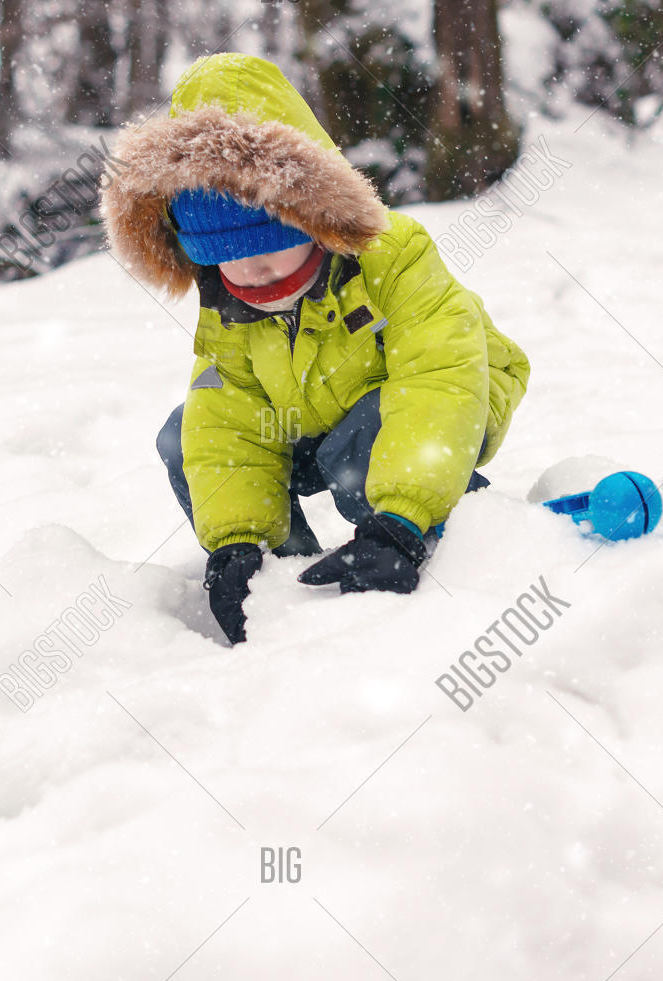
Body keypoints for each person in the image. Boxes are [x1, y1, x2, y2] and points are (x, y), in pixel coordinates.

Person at [102, 52, 530, 644]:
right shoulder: (230, 301)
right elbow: (228, 421)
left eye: (267, 242)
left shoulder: (393, 255)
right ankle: (284, 579)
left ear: (312, 216)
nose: (249, 268)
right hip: (312, 414)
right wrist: (235, 542)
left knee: (361, 447)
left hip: (451, 393)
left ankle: (423, 528)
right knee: (184, 433)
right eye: (223, 252)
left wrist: (399, 519)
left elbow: (437, 379)